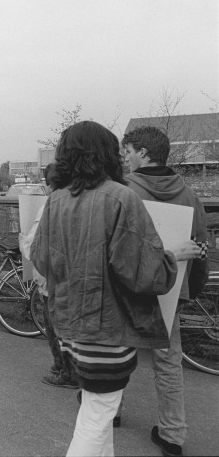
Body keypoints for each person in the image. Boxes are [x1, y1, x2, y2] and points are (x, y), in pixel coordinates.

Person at [30, 121, 201, 457]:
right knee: (97, 415)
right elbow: (145, 273)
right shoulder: (120, 197)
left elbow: (40, 258)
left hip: (69, 324)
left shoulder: (56, 200)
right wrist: (170, 258)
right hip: (109, 327)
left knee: (100, 410)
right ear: (106, 153)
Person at [122, 126, 208, 457]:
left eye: (129, 150)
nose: (126, 157)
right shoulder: (189, 195)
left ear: (143, 153)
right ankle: (173, 434)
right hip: (170, 291)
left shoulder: (124, 191)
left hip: (129, 287)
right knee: (169, 362)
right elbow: (200, 248)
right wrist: (188, 290)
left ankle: (111, 411)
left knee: (121, 351)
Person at [19, 163, 78, 389]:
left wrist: (23, 240)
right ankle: (71, 368)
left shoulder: (50, 205)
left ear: (48, 183)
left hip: (51, 275)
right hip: (74, 275)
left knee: (54, 326)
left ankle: (65, 370)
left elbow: (35, 246)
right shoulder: (81, 200)